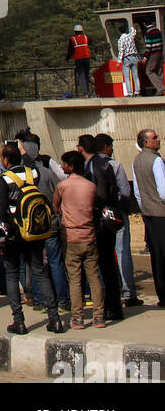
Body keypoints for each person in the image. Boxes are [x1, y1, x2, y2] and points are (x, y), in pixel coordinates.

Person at [0, 143, 64, 335]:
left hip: (15, 232)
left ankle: (19, 320)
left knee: (12, 273)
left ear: (6, 160)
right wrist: (24, 154)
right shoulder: (33, 173)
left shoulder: (4, 179)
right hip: (34, 228)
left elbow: (1, 212)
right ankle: (54, 318)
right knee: (39, 271)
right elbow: (31, 166)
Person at [53, 151, 103, 329]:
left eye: (64, 164)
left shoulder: (62, 186)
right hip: (89, 235)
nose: (62, 166)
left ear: (71, 166)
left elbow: (56, 207)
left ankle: (78, 317)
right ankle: (99, 316)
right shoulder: (91, 186)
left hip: (71, 236)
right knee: (94, 277)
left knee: (74, 278)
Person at [77, 133, 124, 321]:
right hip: (105, 219)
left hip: (101, 222)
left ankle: (112, 306)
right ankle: (112, 305)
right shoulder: (101, 164)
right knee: (106, 264)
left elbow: (103, 194)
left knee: (105, 265)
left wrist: (91, 205)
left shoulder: (95, 166)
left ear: (81, 148)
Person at [95, 133, 141, 306]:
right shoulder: (114, 165)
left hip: (98, 216)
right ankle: (129, 293)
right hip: (116, 214)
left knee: (100, 254)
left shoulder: (89, 166)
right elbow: (125, 191)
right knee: (122, 252)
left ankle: (104, 292)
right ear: (106, 147)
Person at [132, 127, 165, 304]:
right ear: (146, 142)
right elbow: (163, 191)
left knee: (156, 255)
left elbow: (137, 191)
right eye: (155, 138)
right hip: (160, 212)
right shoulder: (156, 161)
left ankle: (162, 294)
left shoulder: (137, 161)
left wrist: (144, 207)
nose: (158, 140)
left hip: (148, 212)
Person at [67, 23, 92, 97]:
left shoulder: (73, 39)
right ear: (82, 31)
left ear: (75, 32)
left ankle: (85, 93)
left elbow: (70, 50)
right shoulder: (85, 37)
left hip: (79, 59)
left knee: (82, 76)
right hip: (87, 58)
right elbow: (90, 41)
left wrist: (67, 58)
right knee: (87, 74)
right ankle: (87, 91)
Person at [118, 24, 141, 97]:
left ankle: (130, 93)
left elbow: (121, 51)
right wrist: (131, 26)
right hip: (134, 57)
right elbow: (134, 31)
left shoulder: (120, 40)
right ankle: (137, 91)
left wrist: (118, 61)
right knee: (135, 76)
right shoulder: (131, 36)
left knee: (127, 77)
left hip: (126, 59)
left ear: (119, 32)